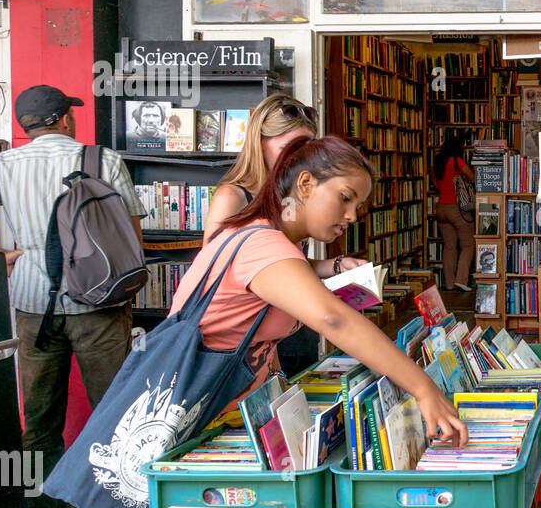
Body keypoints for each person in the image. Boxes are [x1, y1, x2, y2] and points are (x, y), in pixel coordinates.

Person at [0, 85, 147, 508]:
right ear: (64, 119)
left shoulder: (2, 165)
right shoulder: (103, 159)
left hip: (32, 308)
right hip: (98, 304)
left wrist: (0, 256)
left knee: (38, 426)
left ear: (26, 125)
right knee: (117, 418)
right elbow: (130, 239)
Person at [169, 134, 466, 444]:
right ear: (306, 184)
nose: (352, 215)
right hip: (196, 421)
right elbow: (333, 320)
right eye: (345, 197)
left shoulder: (280, 242)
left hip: (228, 417)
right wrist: (422, 388)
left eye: (358, 205)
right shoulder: (263, 243)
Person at [202, 93, 366, 281]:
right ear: (260, 143)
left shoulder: (293, 196)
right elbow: (212, 273)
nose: (299, 160)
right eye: (288, 149)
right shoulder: (231, 197)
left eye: (305, 152)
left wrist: (336, 265)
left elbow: (288, 263)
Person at [432, 131, 475, 292]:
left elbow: (438, 186)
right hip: (457, 208)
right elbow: (472, 178)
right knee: (468, 244)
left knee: (449, 246)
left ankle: (449, 283)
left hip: (441, 208)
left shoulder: (437, 163)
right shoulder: (457, 161)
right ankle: (461, 280)